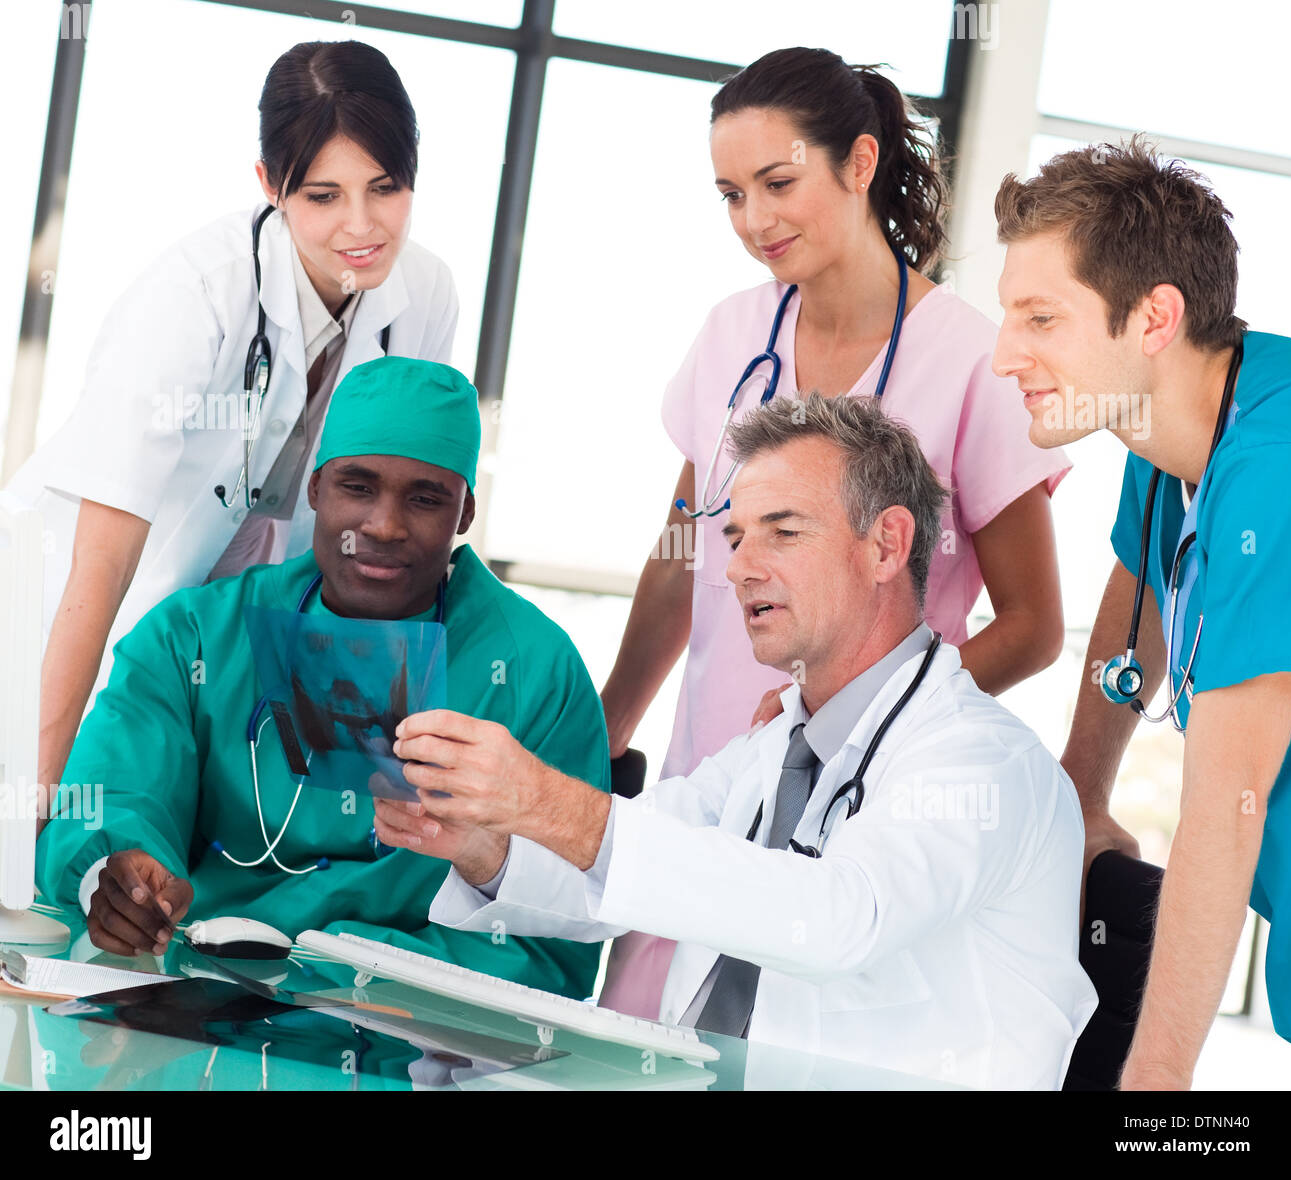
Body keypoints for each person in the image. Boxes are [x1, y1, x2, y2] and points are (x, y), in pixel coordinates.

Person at [376, 395, 1097, 1089]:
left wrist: (548, 800)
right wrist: (485, 846)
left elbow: (836, 918)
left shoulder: (983, 764)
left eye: (782, 532)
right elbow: (626, 869)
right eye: (735, 536)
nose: (738, 568)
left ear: (887, 544)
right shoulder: (776, 745)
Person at [598, 46, 1071, 1017]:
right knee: (636, 1046)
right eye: (730, 195)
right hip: (706, 780)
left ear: (859, 163)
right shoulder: (732, 334)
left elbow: (1033, 624)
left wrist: (863, 727)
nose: (754, 221)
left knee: (792, 1036)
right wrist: (605, 723)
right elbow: (681, 550)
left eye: (778, 183)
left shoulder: (972, 362)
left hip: (863, 804)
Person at [36, 358, 610, 1001]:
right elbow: (113, 794)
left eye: (425, 498)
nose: (384, 525)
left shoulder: (533, 671)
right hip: (183, 989)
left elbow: (552, 945)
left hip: (404, 1034)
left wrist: (339, 974)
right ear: (314, 489)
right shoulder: (197, 635)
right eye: (356, 487)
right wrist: (118, 880)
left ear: (466, 510)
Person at [5, 40, 458, 803]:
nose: (361, 225)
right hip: (62, 612)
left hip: (234, 629)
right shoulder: (197, 294)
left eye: (385, 187)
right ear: (270, 187)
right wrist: (35, 790)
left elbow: (390, 524)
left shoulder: (425, 294)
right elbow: (104, 560)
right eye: (322, 196)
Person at [992, 138, 1291, 1088]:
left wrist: (1154, 1083)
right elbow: (1140, 587)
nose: (1006, 355)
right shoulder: (1165, 428)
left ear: (1155, 317)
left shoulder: (1277, 466)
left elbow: (1227, 798)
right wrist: (1082, 791)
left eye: (1041, 318)